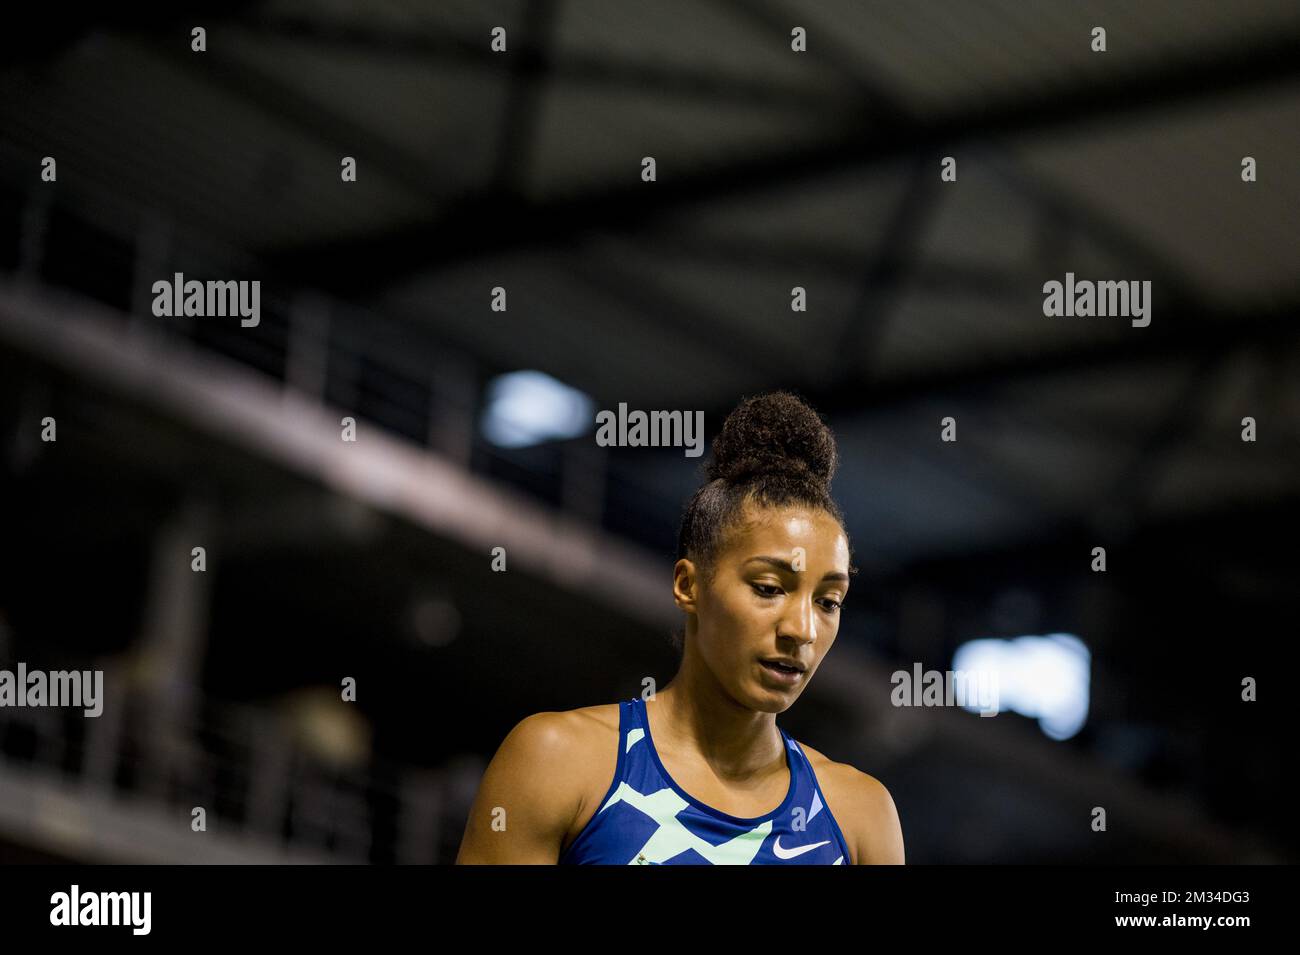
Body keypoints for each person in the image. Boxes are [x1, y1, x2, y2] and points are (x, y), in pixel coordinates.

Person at [456, 391, 904, 864]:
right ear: (689, 584)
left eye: (828, 601)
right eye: (770, 588)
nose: (802, 629)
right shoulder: (560, 761)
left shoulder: (858, 816)